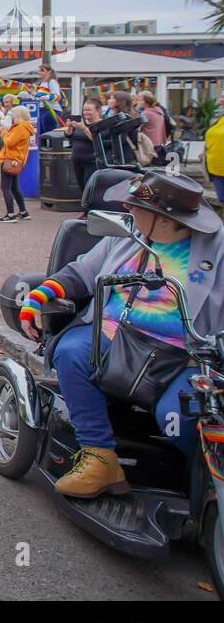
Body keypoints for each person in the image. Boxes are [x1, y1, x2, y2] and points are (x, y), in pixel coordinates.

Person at [18, 170, 224, 497]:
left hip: (185, 354)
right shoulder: (126, 233)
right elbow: (82, 272)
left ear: (167, 221)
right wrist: (36, 298)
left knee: (180, 417)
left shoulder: (217, 248)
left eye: (138, 209)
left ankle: (207, 484)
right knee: (70, 352)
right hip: (112, 336)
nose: (128, 212)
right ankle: (100, 457)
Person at [0, 104, 34, 222]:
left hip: (10, 159)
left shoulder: (20, 127)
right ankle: (23, 212)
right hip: (17, 159)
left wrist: (3, 132)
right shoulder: (26, 127)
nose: (11, 117)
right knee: (14, 188)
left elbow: (9, 142)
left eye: (12, 115)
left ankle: (10, 214)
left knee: (5, 187)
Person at [66, 97, 103, 200]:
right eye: (84, 110)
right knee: (82, 187)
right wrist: (69, 126)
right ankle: (85, 209)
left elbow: (97, 140)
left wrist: (84, 129)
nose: (86, 112)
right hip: (77, 160)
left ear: (98, 110)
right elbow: (69, 136)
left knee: (89, 187)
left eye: (89, 110)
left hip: (91, 161)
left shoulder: (101, 124)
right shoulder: (82, 124)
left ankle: (90, 209)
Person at [206, 92, 224, 205]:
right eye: (221, 96)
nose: (221, 99)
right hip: (216, 170)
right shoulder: (219, 117)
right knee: (222, 200)